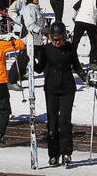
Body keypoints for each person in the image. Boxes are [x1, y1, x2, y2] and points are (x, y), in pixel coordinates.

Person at [37, 21, 90, 166]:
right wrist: (31, 58)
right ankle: (53, 154)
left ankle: (66, 152)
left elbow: (77, 67)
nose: (57, 42)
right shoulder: (46, 49)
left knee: (65, 122)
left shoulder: (69, 48)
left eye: (60, 38)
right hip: (51, 90)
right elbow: (38, 69)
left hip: (67, 89)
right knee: (52, 124)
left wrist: (86, 79)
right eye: (54, 39)